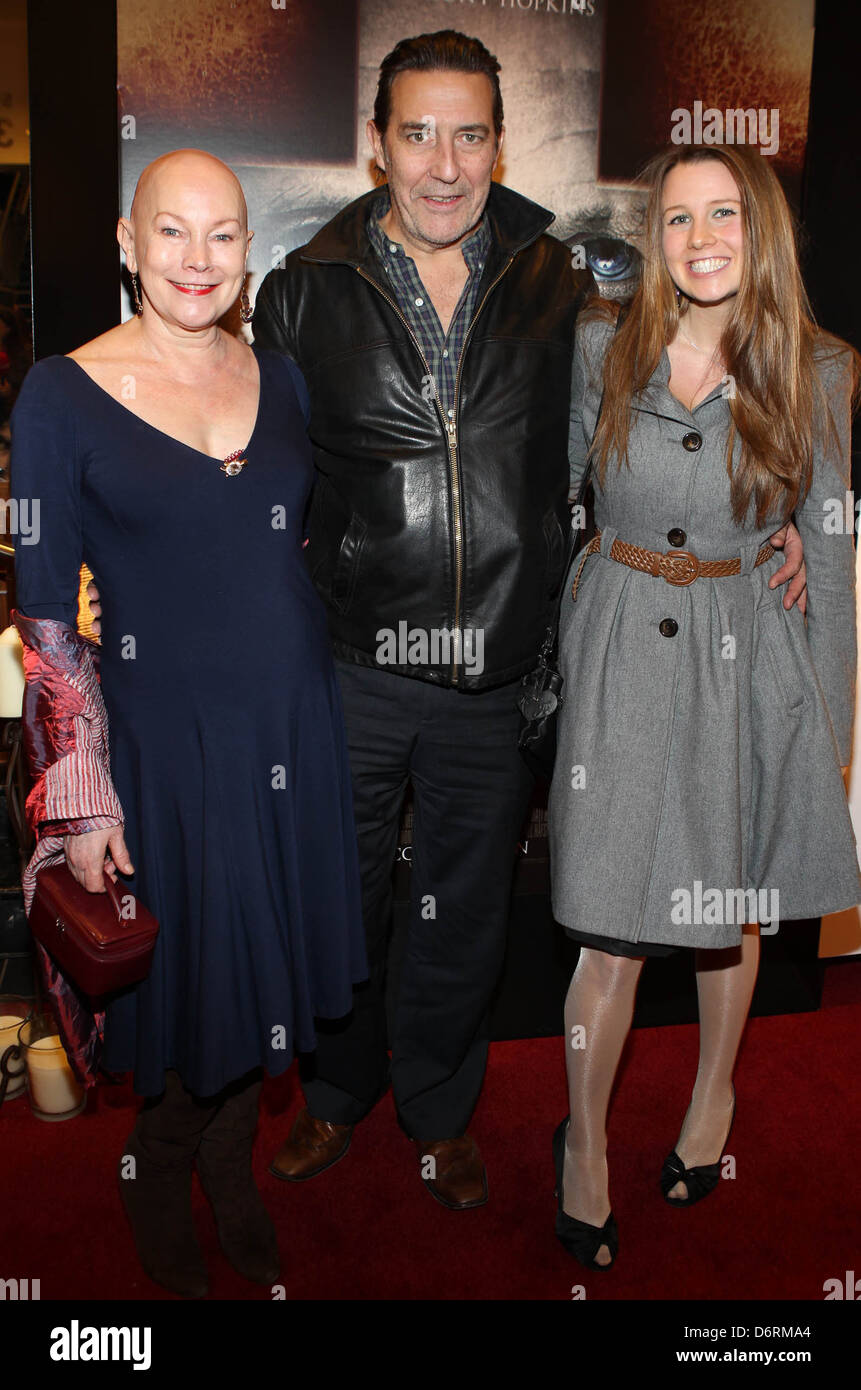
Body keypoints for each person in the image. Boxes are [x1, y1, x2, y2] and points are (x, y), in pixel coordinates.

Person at [250, 31, 807, 1210]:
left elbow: (692, 389)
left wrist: (781, 520)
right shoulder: (304, 290)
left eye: (469, 134)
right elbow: (258, 484)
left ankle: (441, 1114)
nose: (444, 164)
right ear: (377, 146)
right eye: (417, 134)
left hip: (502, 666)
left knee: (463, 911)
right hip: (354, 661)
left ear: (499, 142)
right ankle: (340, 1092)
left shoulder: (565, 286)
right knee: (339, 899)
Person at [10, 149, 366, 1297]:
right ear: (126, 242)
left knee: (259, 976)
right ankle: (158, 1161)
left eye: (223, 235)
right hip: (162, 751)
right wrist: (79, 802)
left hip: (288, 730)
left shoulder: (286, 380)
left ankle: (227, 1158)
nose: (198, 259)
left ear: (248, 248)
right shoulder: (61, 393)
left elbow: (285, 551)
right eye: (172, 233)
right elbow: (46, 623)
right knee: (193, 980)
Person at [548, 141, 860, 1270]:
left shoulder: (816, 369)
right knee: (608, 925)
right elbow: (562, 496)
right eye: (677, 219)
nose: (701, 238)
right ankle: (582, 1142)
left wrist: (828, 736)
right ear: (655, 240)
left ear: (759, 226)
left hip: (746, 649)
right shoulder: (600, 346)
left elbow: (824, 550)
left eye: (722, 213)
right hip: (626, 642)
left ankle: (712, 1097)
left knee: (727, 910)